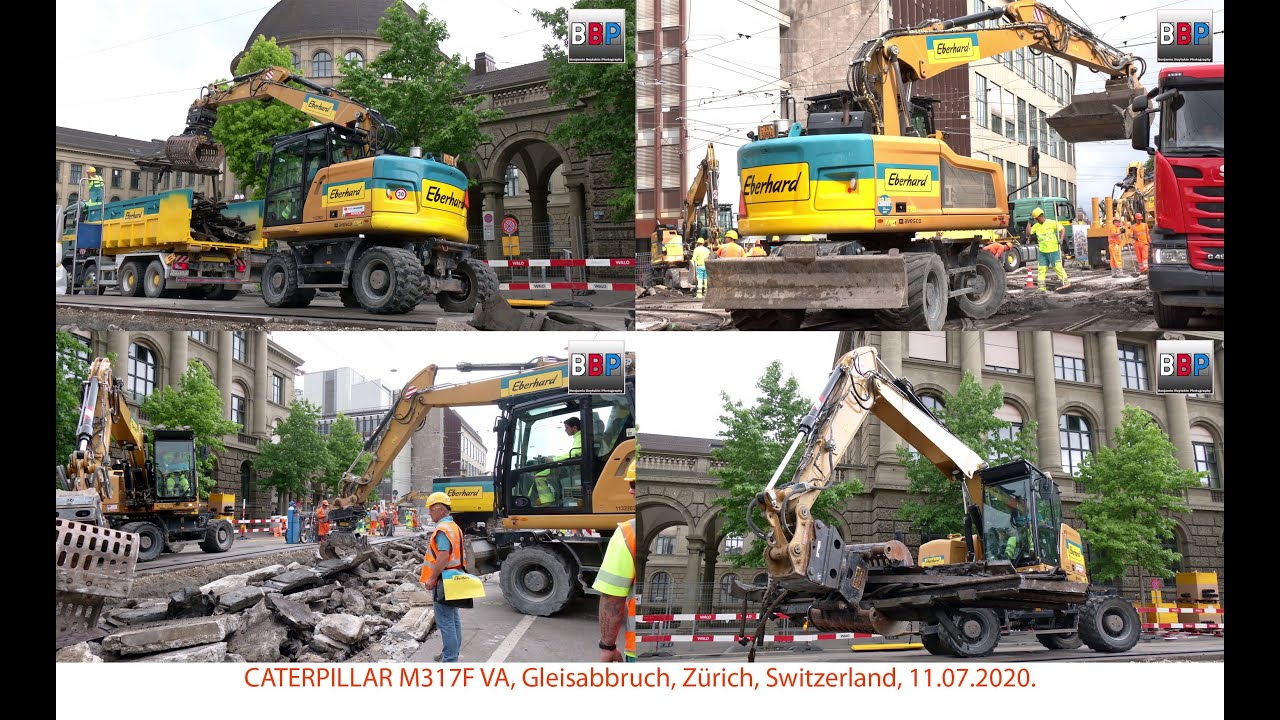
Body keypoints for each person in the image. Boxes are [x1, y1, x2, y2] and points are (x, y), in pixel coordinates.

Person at [592, 461, 637, 662]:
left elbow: (612, 600)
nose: (629, 490)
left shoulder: (628, 533)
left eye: (634, 484)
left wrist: (607, 647)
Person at [421, 492, 466, 662]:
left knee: (446, 621)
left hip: (444, 579)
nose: (429, 513)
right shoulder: (454, 527)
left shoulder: (442, 529)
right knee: (453, 619)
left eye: (431, 510)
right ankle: (451, 653)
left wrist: (432, 578)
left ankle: (450, 659)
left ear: (440, 510)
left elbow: (443, 555)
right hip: (455, 576)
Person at [1028, 208, 1069, 292]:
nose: (1036, 220)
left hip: (1053, 250)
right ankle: (1041, 288)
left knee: (1058, 267)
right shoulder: (1036, 226)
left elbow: (1062, 229)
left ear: (1041, 216)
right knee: (1041, 270)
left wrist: (1061, 238)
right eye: (1035, 219)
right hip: (1043, 252)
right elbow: (1028, 233)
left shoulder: (1051, 223)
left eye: (1036, 218)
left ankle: (1066, 283)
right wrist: (1029, 223)